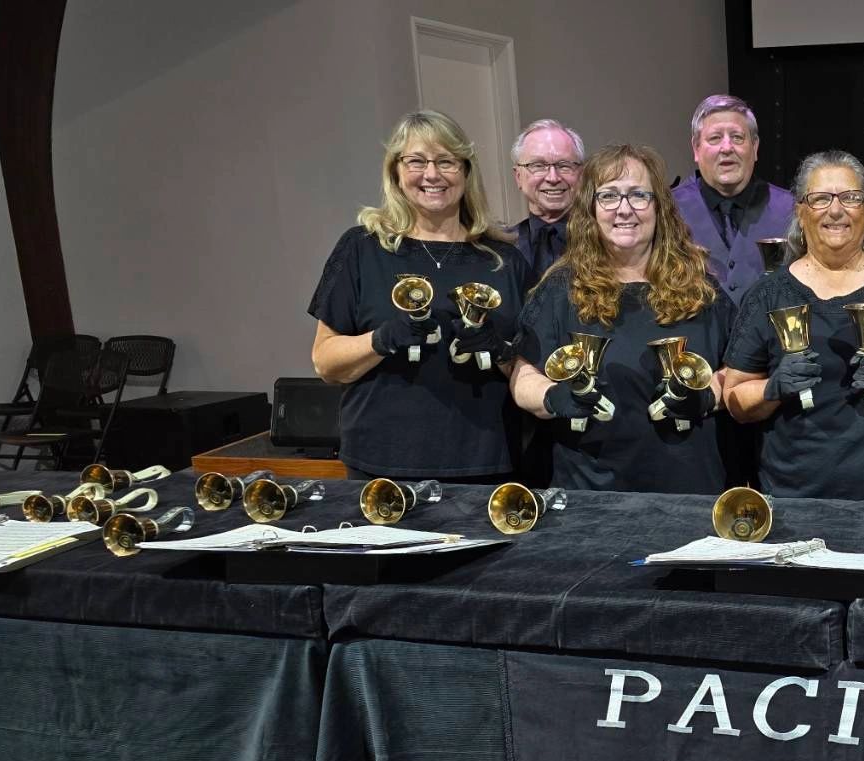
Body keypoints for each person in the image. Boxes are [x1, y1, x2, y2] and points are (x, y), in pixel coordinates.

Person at [309, 110, 530, 483]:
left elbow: (530, 372)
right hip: (381, 463)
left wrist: (501, 351)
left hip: (487, 460)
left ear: (465, 172)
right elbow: (325, 362)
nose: (432, 175)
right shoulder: (362, 249)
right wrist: (380, 340)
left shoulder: (503, 260)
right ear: (396, 171)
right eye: (416, 161)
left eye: (446, 161)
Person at [509, 144, 732, 494]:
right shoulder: (560, 287)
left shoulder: (701, 286)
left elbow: (734, 371)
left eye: (638, 195)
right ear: (591, 210)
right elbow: (523, 378)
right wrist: (554, 397)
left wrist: (707, 397)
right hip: (593, 491)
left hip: (690, 487)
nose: (624, 209)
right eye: (609, 196)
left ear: (659, 207)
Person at [722, 150, 864, 502]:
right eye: (820, 199)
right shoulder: (768, 295)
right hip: (792, 501)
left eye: (850, 198)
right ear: (801, 212)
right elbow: (734, 398)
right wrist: (773, 387)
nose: (836, 210)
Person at [671, 94, 793, 306]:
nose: (727, 148)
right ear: (696, 149)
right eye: (715, 138)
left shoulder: (791, 209)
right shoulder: (667, 209)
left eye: (737, 137)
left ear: (754, 147)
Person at [511, 119, 585, 277]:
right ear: (518, 177)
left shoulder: (607, 243)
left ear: (581, 175)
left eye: (564, 165)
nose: (553, 178)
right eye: (538, 165)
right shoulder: (500, 247)